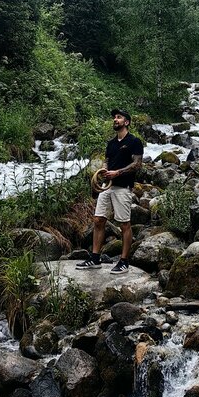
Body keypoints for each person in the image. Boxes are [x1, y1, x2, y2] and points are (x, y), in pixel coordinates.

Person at [77, 108, 143, 273]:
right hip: (107, 187)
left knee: (124, 224)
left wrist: (118, 172)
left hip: (123, 188)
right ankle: (95, 258)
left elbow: (137, 164)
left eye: (119, 117)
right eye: (114, 117)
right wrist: (104, 170)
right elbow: (107, 161)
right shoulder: (111, 143)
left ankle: (124, 261)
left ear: (126, 122)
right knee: (98, 220)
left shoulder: (134, 141)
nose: (115, 119)